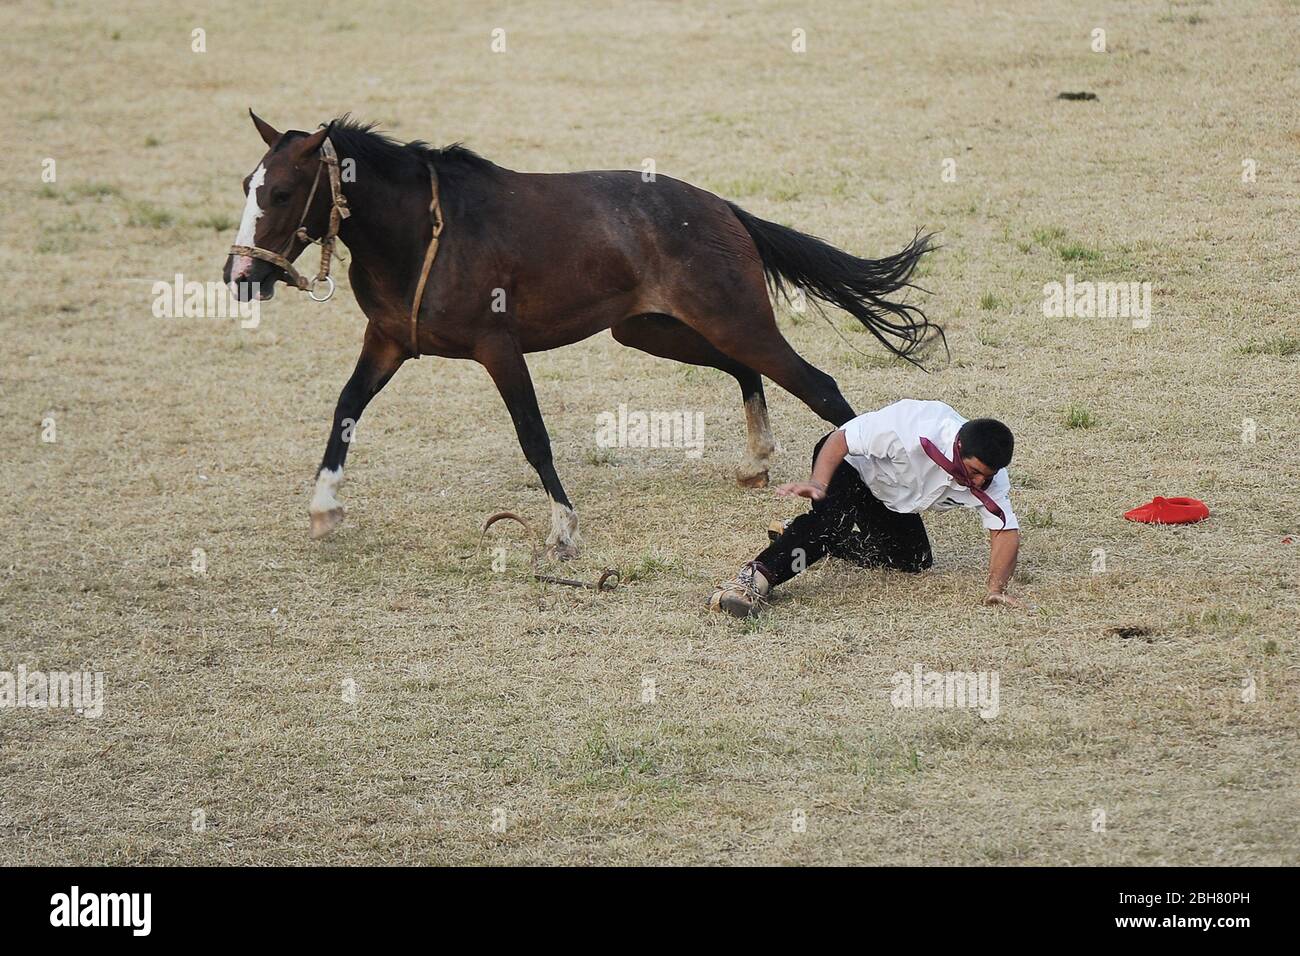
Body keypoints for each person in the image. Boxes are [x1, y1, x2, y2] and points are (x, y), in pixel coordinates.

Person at [708, 399, 1023, 617]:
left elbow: (1005, 531)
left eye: (988, 476)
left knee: (915, 560)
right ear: (957, 447)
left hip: (889, 496)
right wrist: (819, 483)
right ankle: (749, 583)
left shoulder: (990, 481)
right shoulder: (911, 427)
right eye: (974, 471)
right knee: (830, 525)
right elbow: (840, 438)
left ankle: (799, 534)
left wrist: (996, 588)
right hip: (846, 464)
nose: (979, 482)